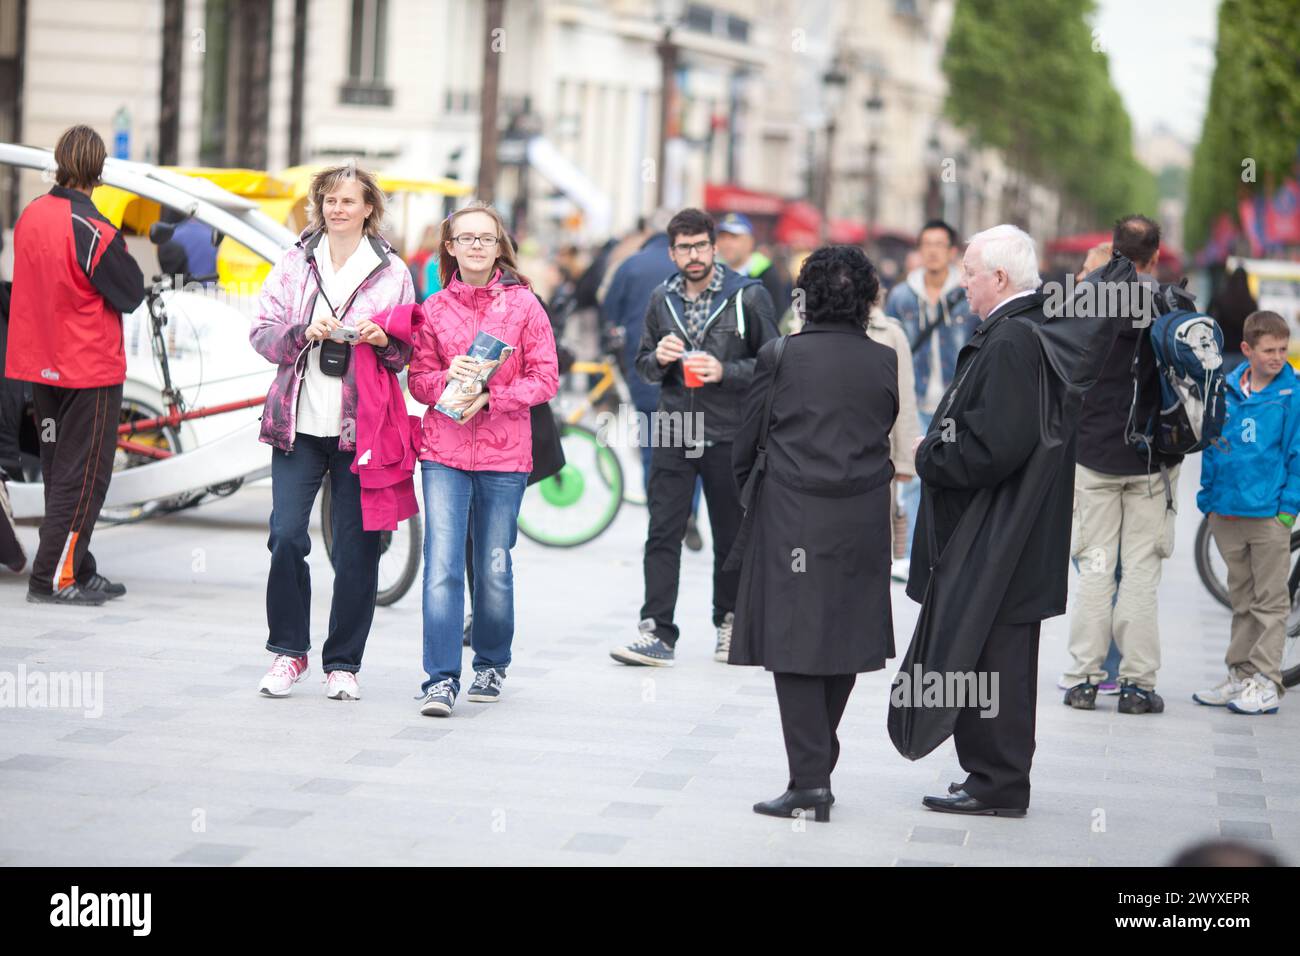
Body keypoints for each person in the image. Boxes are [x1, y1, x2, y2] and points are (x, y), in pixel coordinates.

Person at [908, 224, 1071, 817]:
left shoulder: (1012, 339)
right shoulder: (1020, 330)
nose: (963, 282)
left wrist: (933, 456)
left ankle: (998, 782)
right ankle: (987, 777)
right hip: (1003, 534)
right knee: (988, 655)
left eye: (970, 272)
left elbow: (996, 444)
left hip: (1000, 539)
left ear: (998, 278)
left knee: (997, 659)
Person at [731, 246, 898, 822]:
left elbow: (745, 439)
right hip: (862, 516)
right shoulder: (884, 360)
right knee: (845, 637)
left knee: (793, 643)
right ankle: (817, 763)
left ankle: (810, 780)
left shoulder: (781, 355)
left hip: (794, 513)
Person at [248, 163, 415, 700]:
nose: (337, 209)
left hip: (361, 431)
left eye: (349, 201)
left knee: (358, 549)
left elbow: (408, 353)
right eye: (329, 200)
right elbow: (261, 332)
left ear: (369, 208)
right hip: (296, 424)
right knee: (286, 537)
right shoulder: (295, 261)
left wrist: (381, 338)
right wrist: (302, 332)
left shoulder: (393, 272)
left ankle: (343, 663)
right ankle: (288, 653)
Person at [406, 201, 558, 718]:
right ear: (449, 247)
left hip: (504, 452)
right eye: (465, 238)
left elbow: (547, 378)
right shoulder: (432, 309)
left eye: (485, 238)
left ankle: (492, 661)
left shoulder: (524, 307)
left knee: (494, 566)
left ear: (499, 247)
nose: (475, 246)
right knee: (441, 566)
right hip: (444, 451)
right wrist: (448, 378)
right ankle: (440, 679)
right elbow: (419, 380)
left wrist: (494, 395)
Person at [610, 207, 777, 667]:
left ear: (714, 246)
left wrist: (725, 370)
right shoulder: (660, 298)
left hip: (728, 430)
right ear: (672, 253)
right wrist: (658, 359)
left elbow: (775, 363)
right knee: (662, 530)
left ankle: (730, 622)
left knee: (729, 533)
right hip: (672, 427)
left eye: (701, 245)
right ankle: (657, 630)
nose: (694, 255)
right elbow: (641, 363)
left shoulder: (748, 296)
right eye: (684, 248)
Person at [5, 124, 145, 606]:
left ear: (61, 162)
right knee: (84, 478)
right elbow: (131, 293)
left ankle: (78, 567)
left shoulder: (30, 216)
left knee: (59, 473)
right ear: (98, 171)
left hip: (39, 367)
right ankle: (53, 578)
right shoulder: (93, 229)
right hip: (88, 370)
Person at [1061, 215, 1186, 715]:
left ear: (1113, 249)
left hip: (1092, 452)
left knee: (1093, 567)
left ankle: (1085, 679)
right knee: (1140, 571)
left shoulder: (1084, 297)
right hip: (1153, 457)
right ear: (1156, 255)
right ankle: (1136, 684)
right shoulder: (1170, 301)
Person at [1194, 310, 1299, 715]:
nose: (1278, 357)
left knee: (1271, 603)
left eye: (1282, 349)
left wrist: (1287, 512)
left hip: (1270, 516)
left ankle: (1268, 681)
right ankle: (1239, 674)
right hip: (1227, 513)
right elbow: (1213, 442)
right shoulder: (1227, 389)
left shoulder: (1293, 394)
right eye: (1269, 350)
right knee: (1242, 599)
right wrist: (1209, 499)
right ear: (1246, 350)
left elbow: (1298, 455)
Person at [601, 208, 705, 550]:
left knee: (651, 444)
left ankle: (662, 518)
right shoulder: (694, 265)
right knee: (691, 440)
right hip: (690, 368)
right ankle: (688, 510)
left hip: (644, 367)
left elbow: (609, 315)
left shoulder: (630, 265)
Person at [885, 219, 975, 569]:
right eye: (927, 244)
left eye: (940, 244)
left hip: (955, 402)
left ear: (952, 251)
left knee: (950, 476)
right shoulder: (902, 296)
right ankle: (909, 558)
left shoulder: (967, 293)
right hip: (915, 399)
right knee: (910, 476)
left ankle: (948, 554)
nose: (933, 250)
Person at [865, 290, 919, 573]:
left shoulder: (891, 333)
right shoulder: (803, 325)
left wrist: (904, 461)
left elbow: (904, 398)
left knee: (873, 544)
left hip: (878, 455)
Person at [715, 212, 793, 319]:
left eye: (734, 237)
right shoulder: (716, 273)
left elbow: (778, 315)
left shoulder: (766, 272)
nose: (726, 243)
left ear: (750, 241)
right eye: (722, 237)